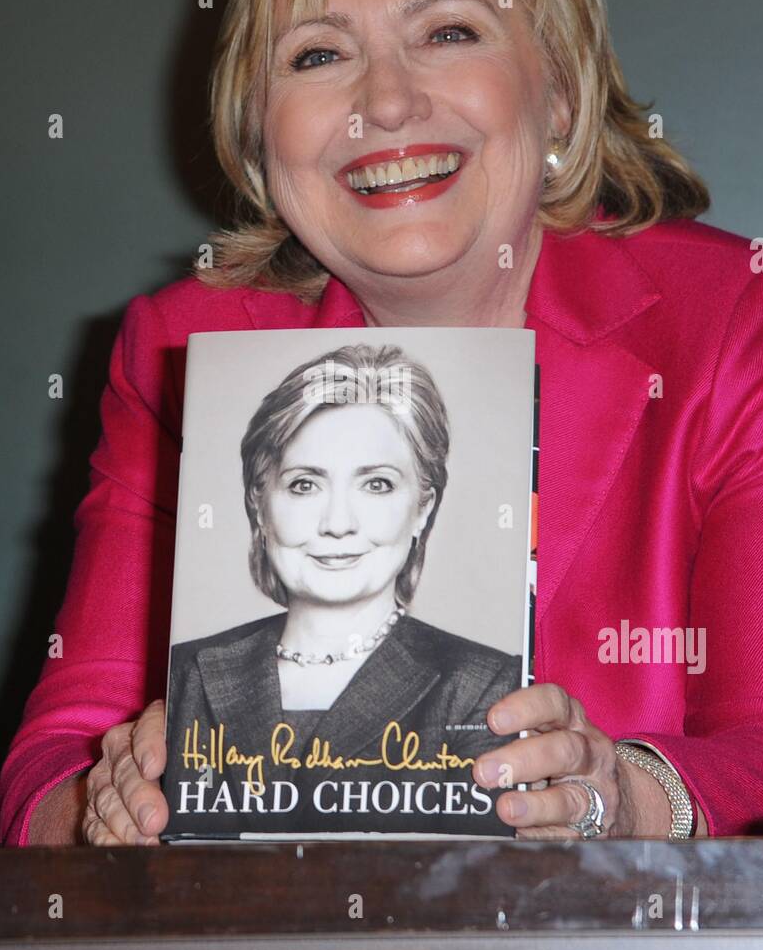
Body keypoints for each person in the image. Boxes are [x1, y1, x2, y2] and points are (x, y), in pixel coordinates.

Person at [0, 0, 763, 848]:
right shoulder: (178, 349)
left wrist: (626, 794)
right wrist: (110, 804)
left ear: (559, 95)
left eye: (448, 32)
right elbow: (50, 768)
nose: (387, 102)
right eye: (317, 56)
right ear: (255, 136)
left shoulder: (729, 320)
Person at [162, 342, 521, 837]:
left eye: (376, 484)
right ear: (259, 504)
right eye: (304, 485)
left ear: (422, 506)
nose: (337, 524)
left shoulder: (484, 684)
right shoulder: (185, 675)